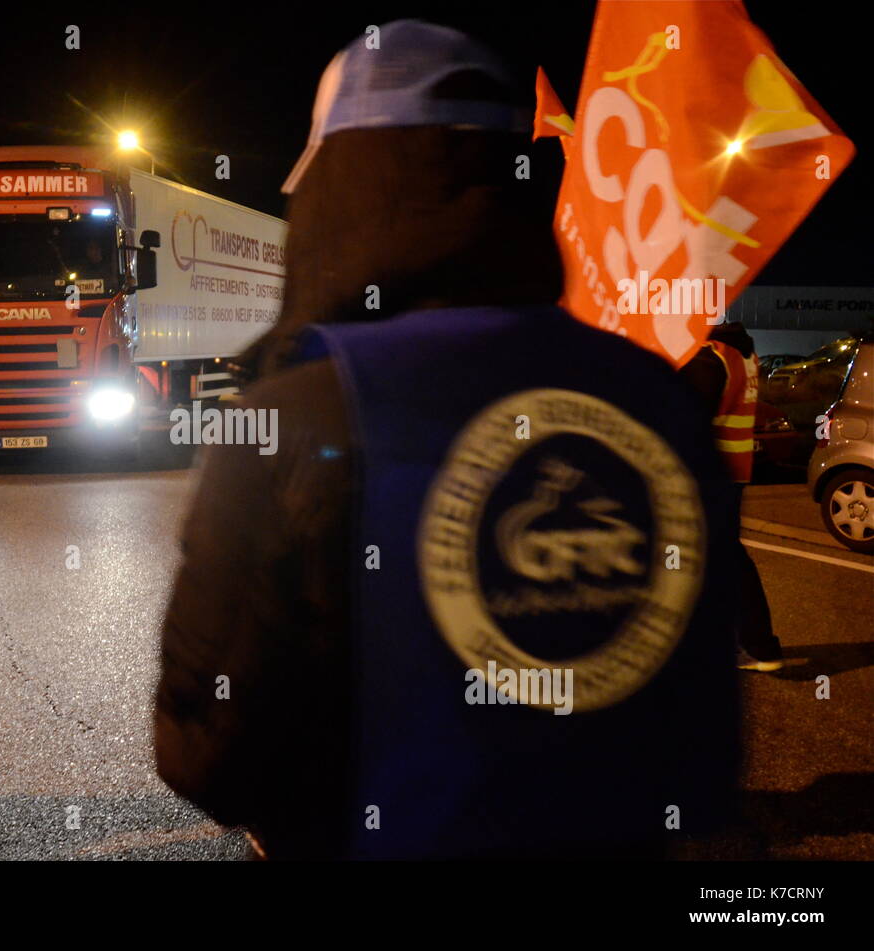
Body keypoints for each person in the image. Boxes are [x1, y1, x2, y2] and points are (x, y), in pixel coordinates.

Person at [154, 20, 742, 860]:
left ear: (344, 186)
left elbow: (207, 747)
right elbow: (704, 744)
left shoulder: (300, 411)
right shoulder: (661, 400)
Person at [679, 320, 785, 671]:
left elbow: (688, 419)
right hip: (731, 471)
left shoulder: (711, 358)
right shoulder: (743, 354)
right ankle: (752, 643)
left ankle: (757, 645)